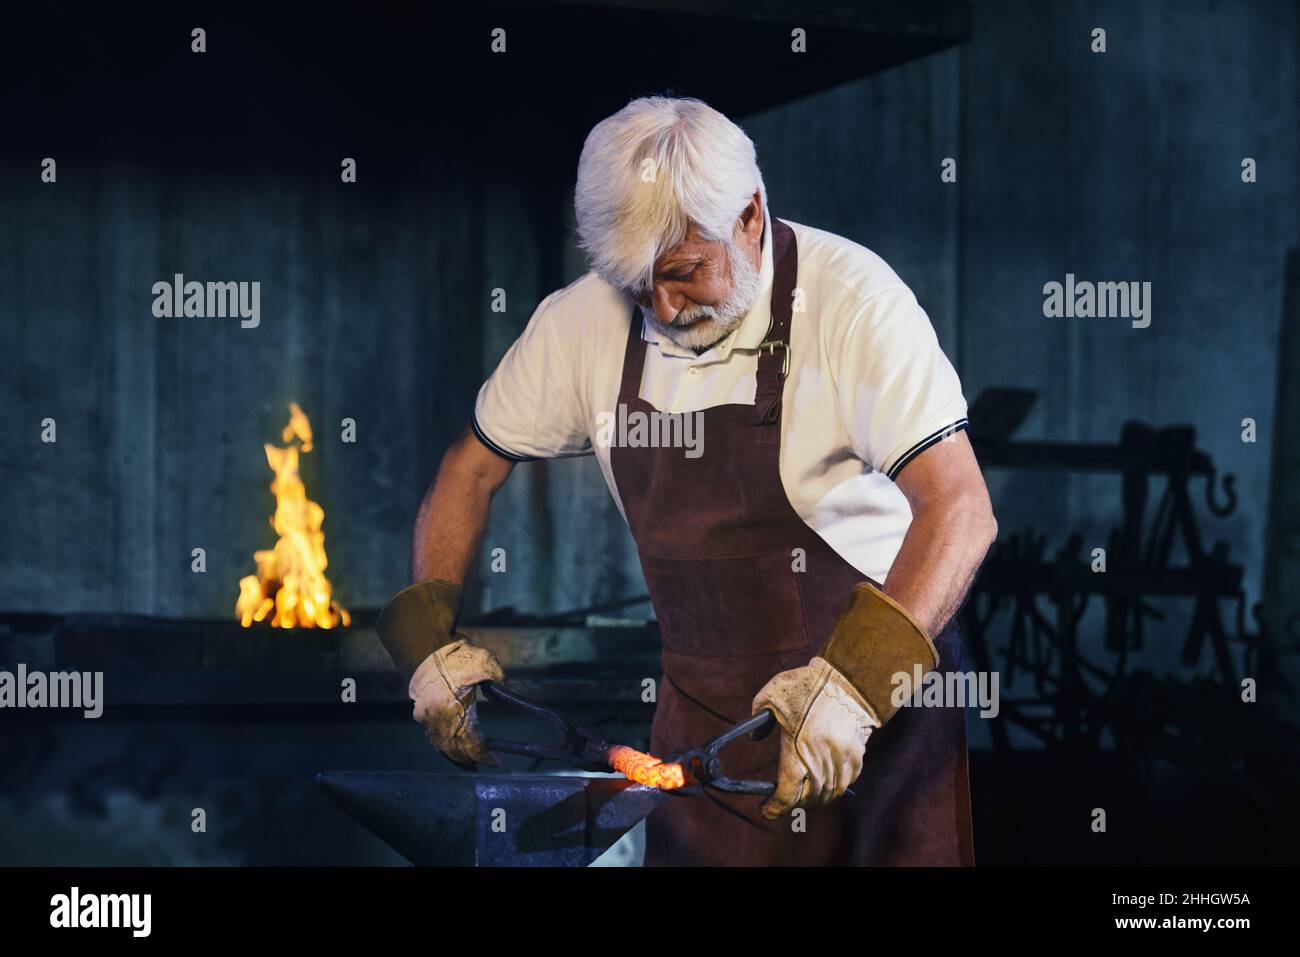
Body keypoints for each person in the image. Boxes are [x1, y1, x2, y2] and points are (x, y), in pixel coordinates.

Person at [376, 96, 997, 865]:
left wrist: (854, 689)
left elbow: (962, 508)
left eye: (682, 274)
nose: (663, 307)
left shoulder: (855, 304)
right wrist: (426, 649)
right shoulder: (582, 323)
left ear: (748, 215)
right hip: (703, 730)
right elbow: (469, 469)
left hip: (871, 718)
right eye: (638, 285)